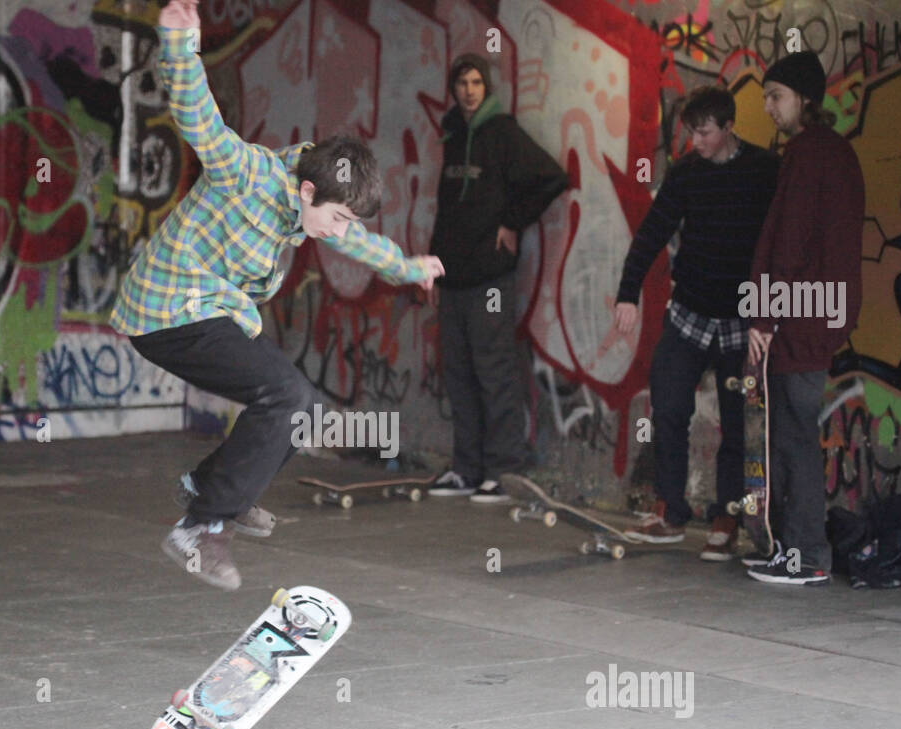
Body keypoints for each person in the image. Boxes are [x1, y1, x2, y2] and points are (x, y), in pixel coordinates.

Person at [113, 0, 443, 591]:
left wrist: (404, 266)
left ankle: (207, 487)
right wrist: (180, 48)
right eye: (337, 218)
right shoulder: (247, 173)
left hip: (207, 313)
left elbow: (357, 238)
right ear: (307, 190)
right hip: (167, 310)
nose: (339, 232)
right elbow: (199, 121)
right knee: (284, 393)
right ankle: (201, 526)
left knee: (306, 408)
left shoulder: (310, 199)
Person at [613, 86, 780, 560]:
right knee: (667, 408)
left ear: (728, 127)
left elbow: (783, 241)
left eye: (704, 133)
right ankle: (671, 511)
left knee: (735, 421)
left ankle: (726, 518)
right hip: (688, 314)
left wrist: (771, 313)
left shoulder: (763, 171)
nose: (696, 142)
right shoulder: (686, 173)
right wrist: (627, 294)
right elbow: (651, 233)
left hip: (739, 321)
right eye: (691, 132)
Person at [427, 53, 568, 503]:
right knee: (459, 374)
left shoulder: (503, 133)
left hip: (489, 278)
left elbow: (552, 177)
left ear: (486, 87)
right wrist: (432, 267)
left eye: (475, 82)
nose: (469, 90)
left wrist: (513, 221)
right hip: (452, 276)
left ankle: (502, 470)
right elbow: (446, 207)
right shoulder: (453, 134)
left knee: (494, 371)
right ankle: (466, 469)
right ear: (453, 89)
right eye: (461, 82)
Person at [745, 51, 864, 586]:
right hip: (818, 308)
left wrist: (765, 316)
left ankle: (805, 555)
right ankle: (793, 549)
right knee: (793, 431)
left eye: (776, 96)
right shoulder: (830, 151)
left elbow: (789, 242)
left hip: (800, 313)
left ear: (804, 100)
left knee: (792, 433)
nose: (769, 107)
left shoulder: (808, 153)